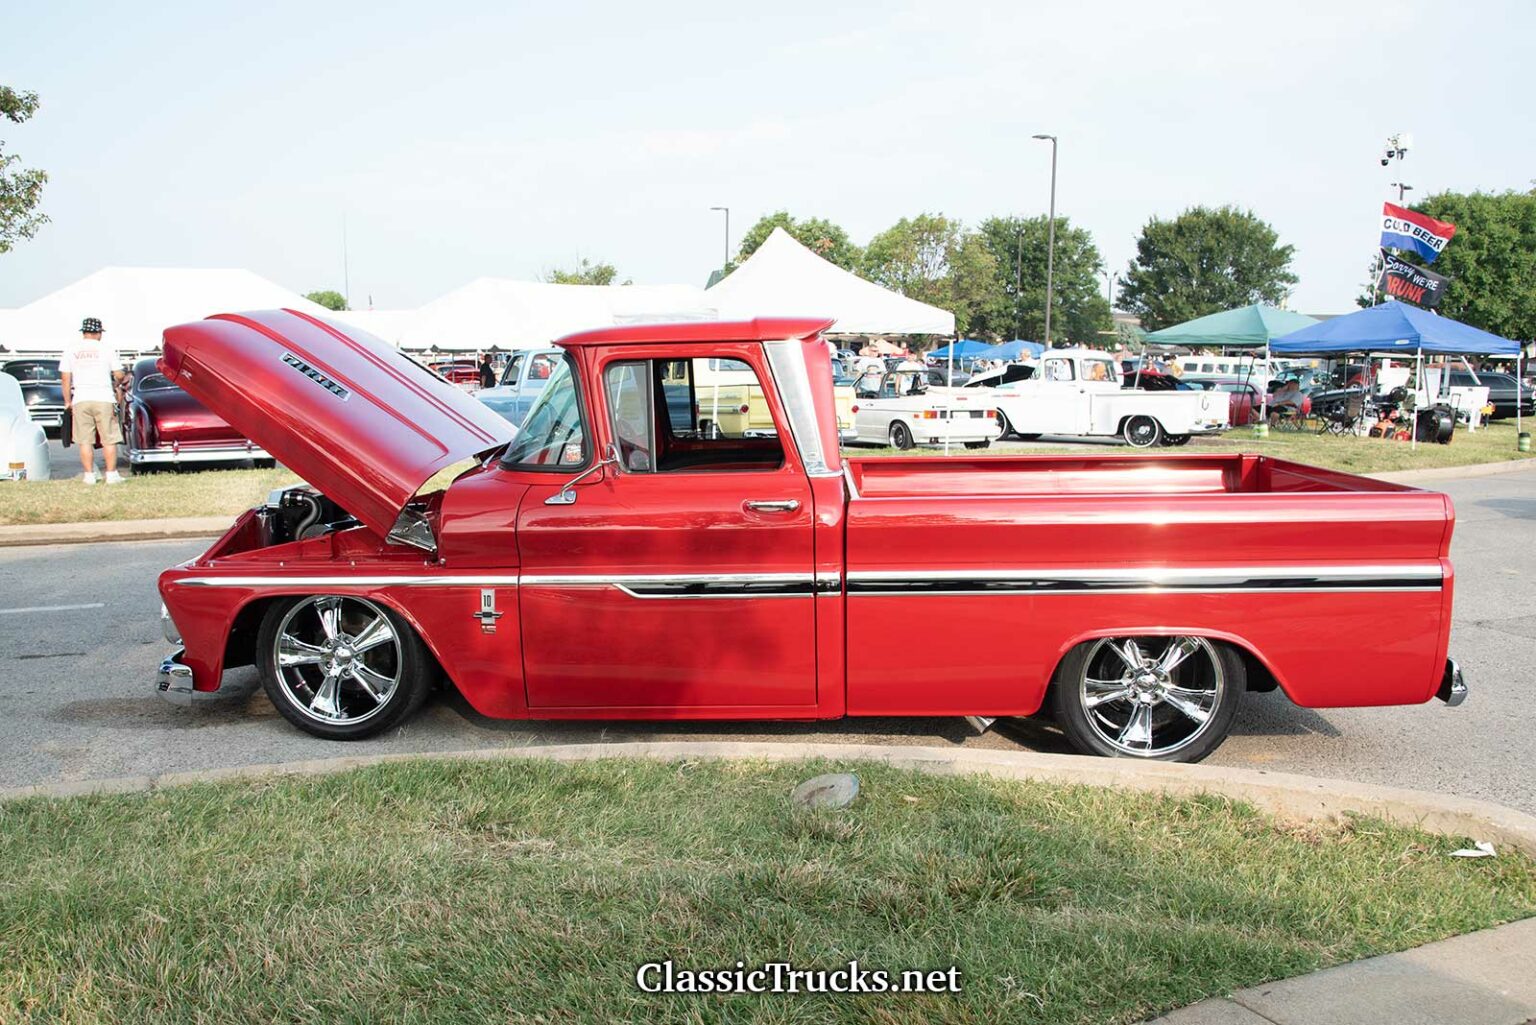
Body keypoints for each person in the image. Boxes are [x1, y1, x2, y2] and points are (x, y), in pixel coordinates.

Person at [60, 317, 127, 485]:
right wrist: (117, 382)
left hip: (81, 398)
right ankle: (111, 474)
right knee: (108, 439)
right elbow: (119, 374)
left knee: (84, 440)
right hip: (103, 397)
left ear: (83, 333)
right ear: (99, 333)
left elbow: (65, 378)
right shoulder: (106, 350)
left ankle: (89, 475)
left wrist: (68, 401)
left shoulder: (71, 350)